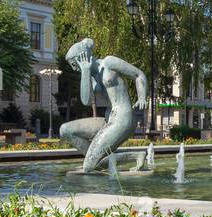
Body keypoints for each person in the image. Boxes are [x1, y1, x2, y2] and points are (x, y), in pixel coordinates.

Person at [58, 38, 147, 172]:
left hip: (123, 118)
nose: (73, 67)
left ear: (82, 56)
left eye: (73, 63)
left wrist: (142, 97)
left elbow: (138, 74)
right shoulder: (91, 76)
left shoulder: (109, 62)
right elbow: (86, 101)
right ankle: (95, 161)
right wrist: (86, 71)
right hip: (109, 119)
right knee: (65, 130)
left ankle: (134, 155)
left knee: (88, 167)